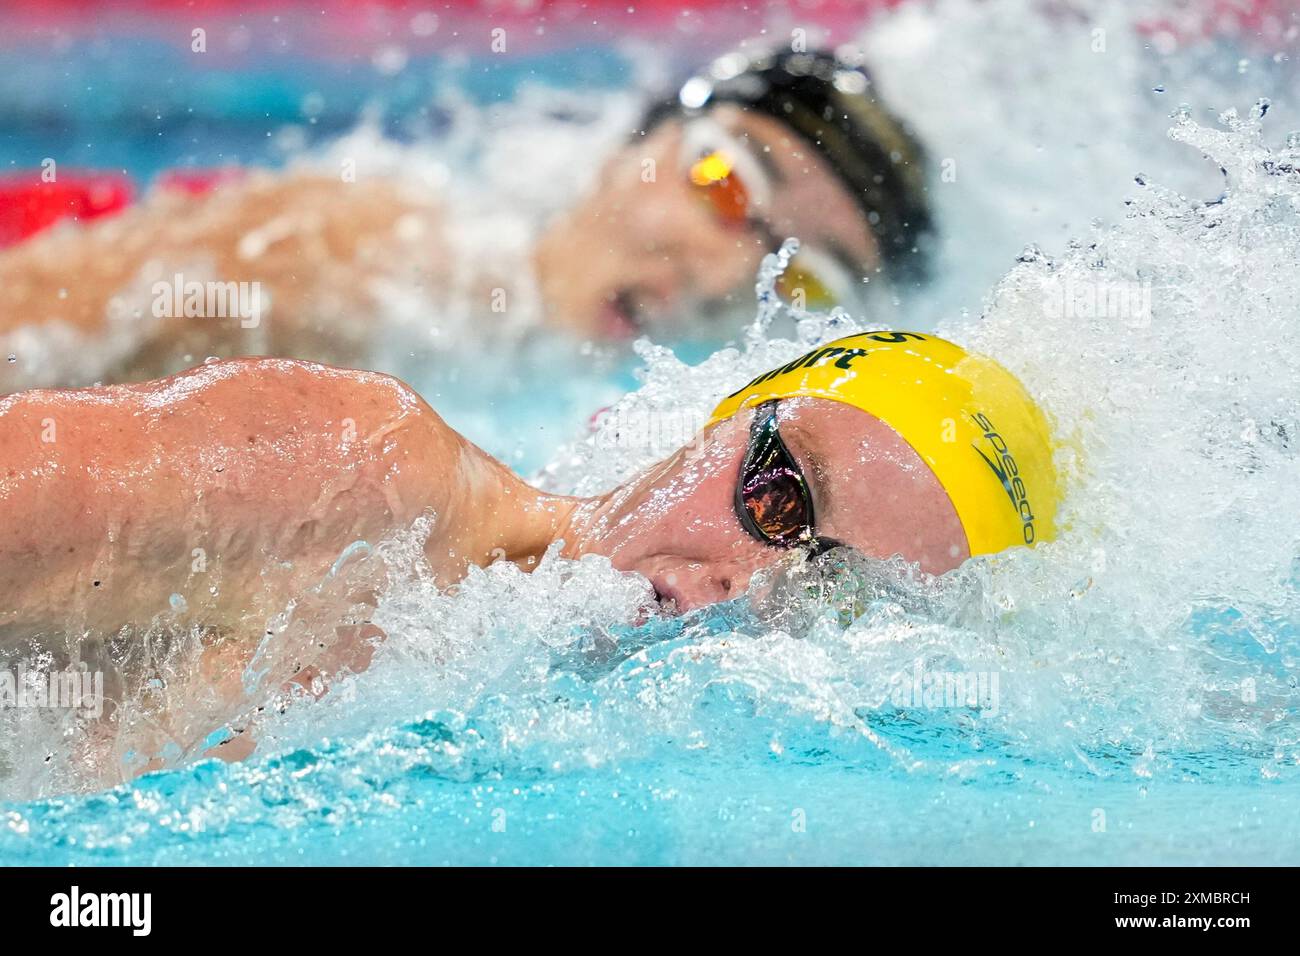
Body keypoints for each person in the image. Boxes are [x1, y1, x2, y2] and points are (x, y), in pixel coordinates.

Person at [0, 330, 1056, 772]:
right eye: (780, 499)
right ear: (717, 423)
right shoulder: (357, 476)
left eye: (836, 587)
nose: (753, 580)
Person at [0, 49, 932, 389]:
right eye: (729, 186)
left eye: (804, 277)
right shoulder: (378, 266)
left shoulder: (533, 372)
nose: (732, 280)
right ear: (628, 142)